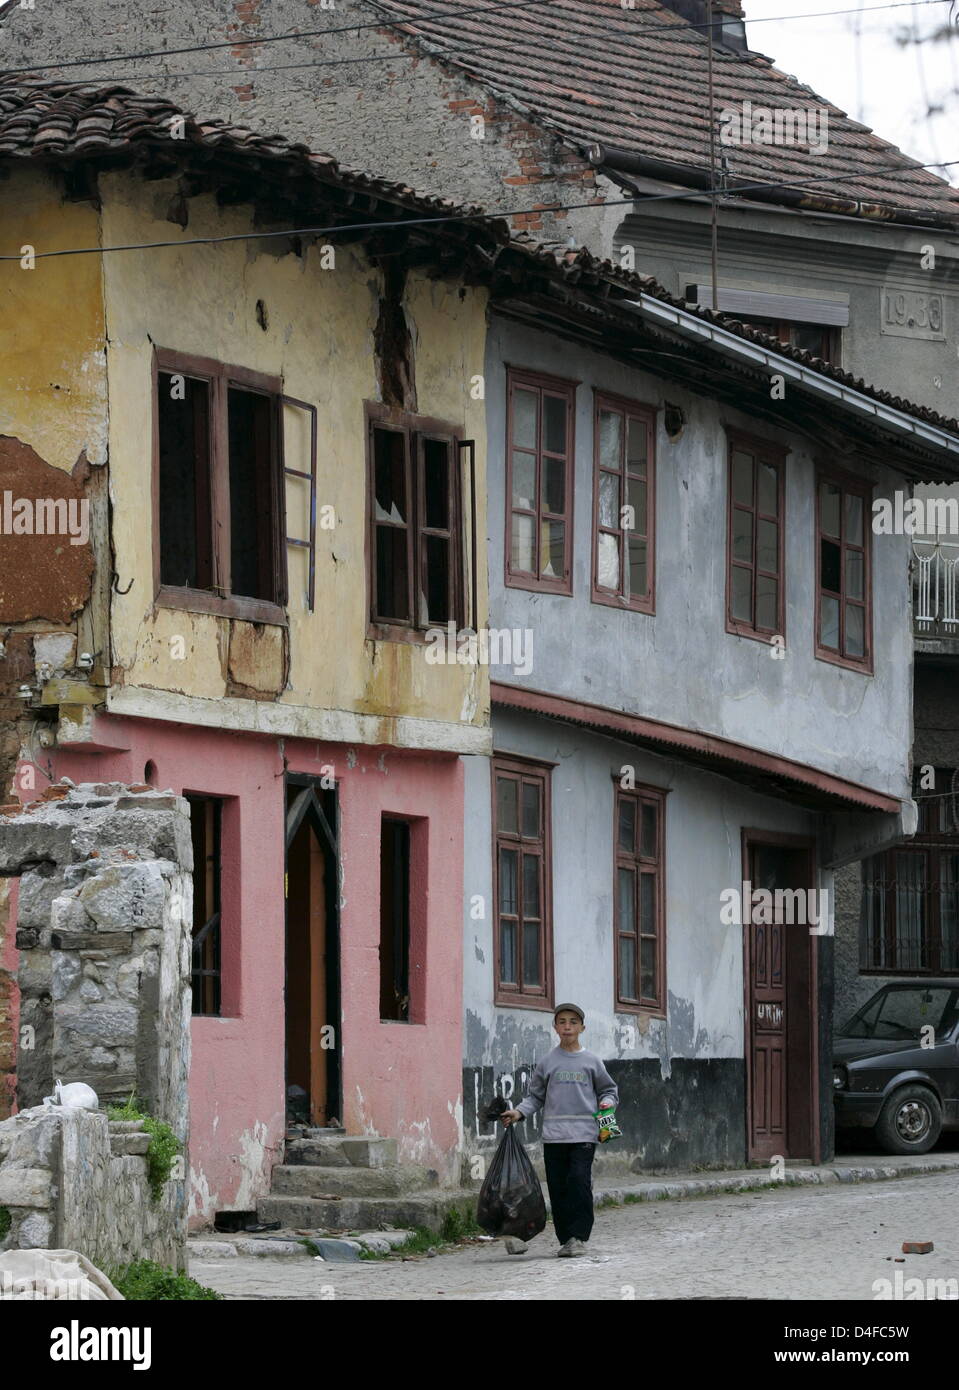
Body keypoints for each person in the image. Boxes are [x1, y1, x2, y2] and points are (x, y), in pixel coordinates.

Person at [501, 1002, 619, 1257]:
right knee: (558, 1188)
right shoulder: (548, 1062)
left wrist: (606, 1111)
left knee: (578, 1182)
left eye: (573, 1022)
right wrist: (519, 1112)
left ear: (582, 1028)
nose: (567, 1026)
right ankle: (566, 1239)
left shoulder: (592, 1062)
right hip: (554, 1137)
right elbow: (535, 1097)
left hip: (584, 1135)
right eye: (562, 1022)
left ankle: (579, 1237)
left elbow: (608, 1091)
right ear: (555, 1027)